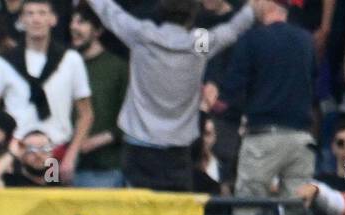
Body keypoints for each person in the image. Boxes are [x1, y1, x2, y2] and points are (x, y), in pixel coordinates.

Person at [84, 0, 254, 191]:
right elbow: (233, 29)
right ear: (193, 16)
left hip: (139, 147)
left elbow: (109, 12)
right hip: (177, 150)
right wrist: (254, 7)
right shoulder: (198, 44)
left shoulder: (142, 35)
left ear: (160, 10)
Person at [0, 0, 93, 183]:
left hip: (55, 152)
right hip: (16, 151)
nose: (36, 19)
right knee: (15, 208)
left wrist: (71, 157)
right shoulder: (3, 62)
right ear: (21, 20)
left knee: (52, 207)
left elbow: (86, 114)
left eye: (42, 13)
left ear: (53, 19)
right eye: (30, 14)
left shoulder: (71, 59)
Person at [215, 0, 316, 202]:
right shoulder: (306, 40)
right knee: (296, 212)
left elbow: (231, 90)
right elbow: (313, 79)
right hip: (301, 139)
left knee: (249, 211)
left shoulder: (252, 39)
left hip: (263, 139)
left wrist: (216, 101)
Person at [69, 2, 127, 188]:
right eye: (72, 22)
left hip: (102, 167)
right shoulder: (61, 63)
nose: (74, 27)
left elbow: (131, 119)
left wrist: (98, 140)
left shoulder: (118, 68)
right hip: (56, 161)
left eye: (82, 22)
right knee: (49, 213)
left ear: (98, 30)